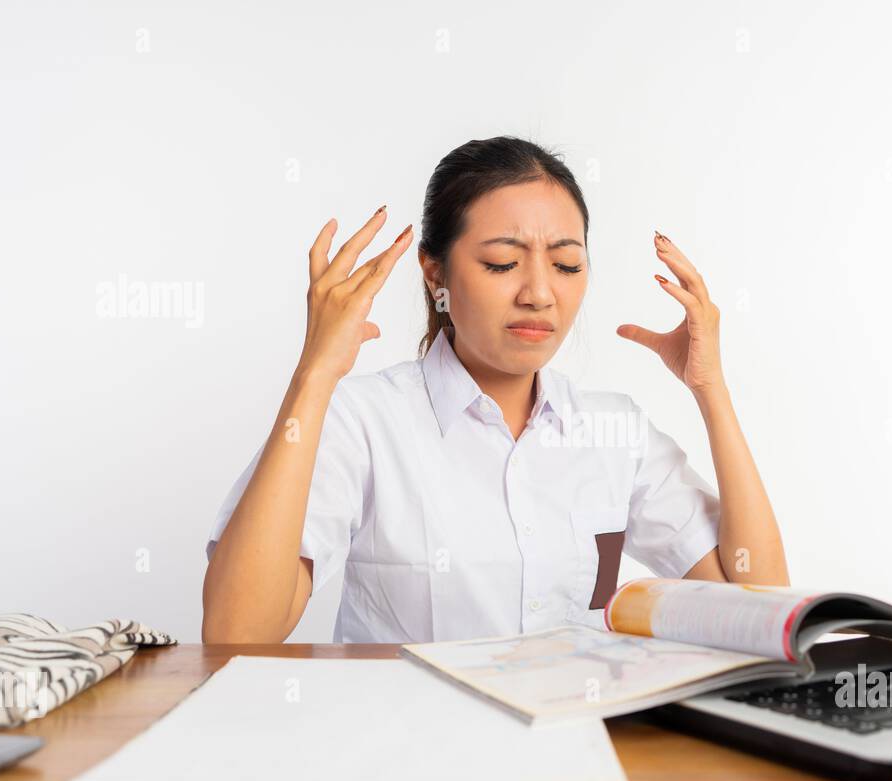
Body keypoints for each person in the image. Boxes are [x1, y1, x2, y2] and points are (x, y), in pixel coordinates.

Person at [202, 136, 788, 644]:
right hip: (412, 762)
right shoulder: (363, 421)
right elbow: (236, 632)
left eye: (565, 265)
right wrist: (314, 376)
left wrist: (710, 391)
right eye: (504, 263)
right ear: (436, 274)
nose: (539, 293)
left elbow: (762, 608)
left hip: (575, 758)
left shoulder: (615, 433)